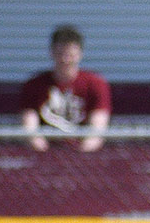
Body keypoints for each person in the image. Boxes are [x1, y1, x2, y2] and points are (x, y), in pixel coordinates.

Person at [20, 24, 111, 152]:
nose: (65, 60)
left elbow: (98, 128)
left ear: (80, 54)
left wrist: (81, 155)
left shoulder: (96, 84)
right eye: (60, 54)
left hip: (84, 155)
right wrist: (45, 153)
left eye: (71, 55)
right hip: (44, 154)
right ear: (51, 53)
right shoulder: (34, 85)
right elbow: (30, 127)